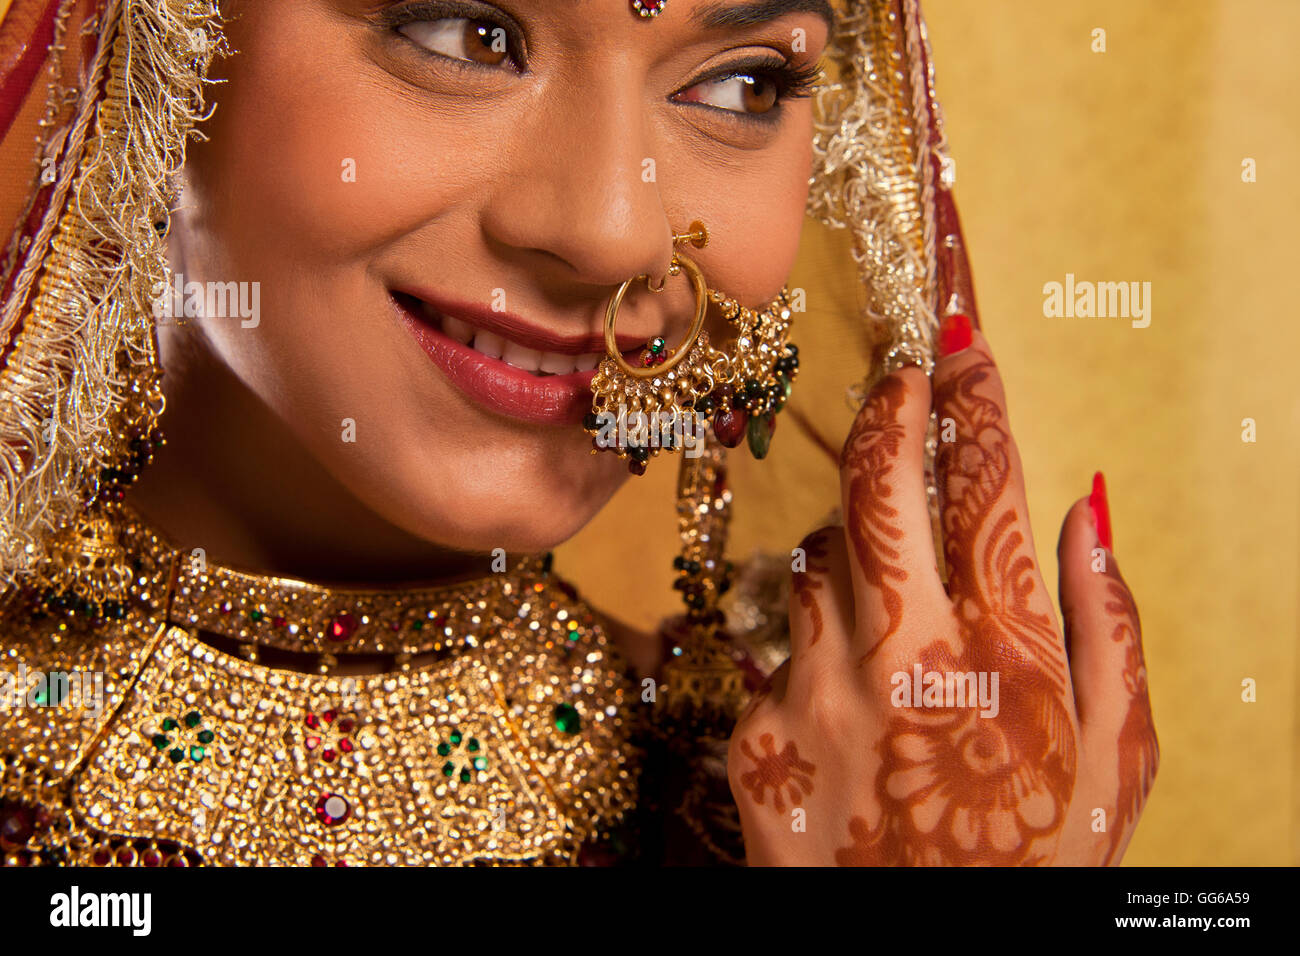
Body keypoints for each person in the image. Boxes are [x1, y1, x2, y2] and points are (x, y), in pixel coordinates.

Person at [0, 0, 1156, 866]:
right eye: (464, 33)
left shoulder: (810, 810)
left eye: (743, 84)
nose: (613, 232)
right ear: (149, 45)